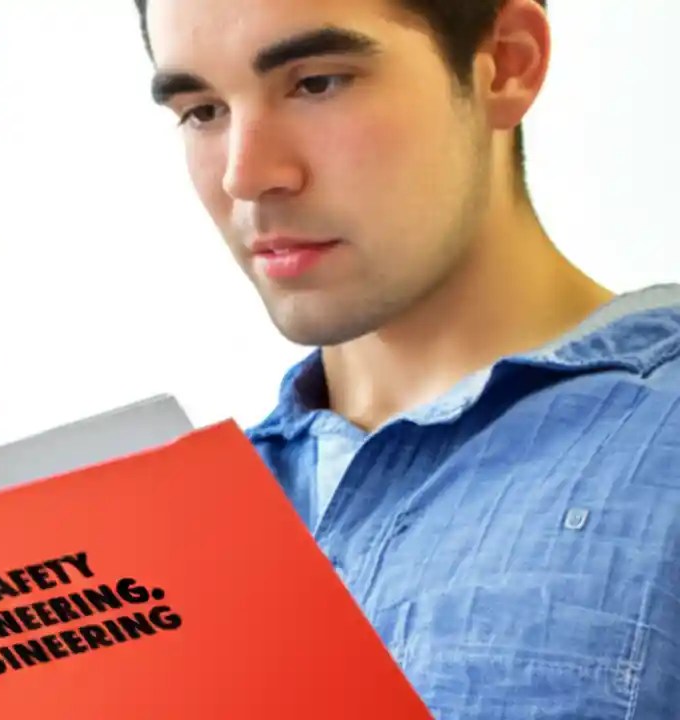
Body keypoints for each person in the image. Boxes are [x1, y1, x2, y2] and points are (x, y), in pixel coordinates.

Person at [134, 0, 680, 717]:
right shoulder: (169, 536)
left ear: (507, 64)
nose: (246, 174)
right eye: (203, 111)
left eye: (318, 83)